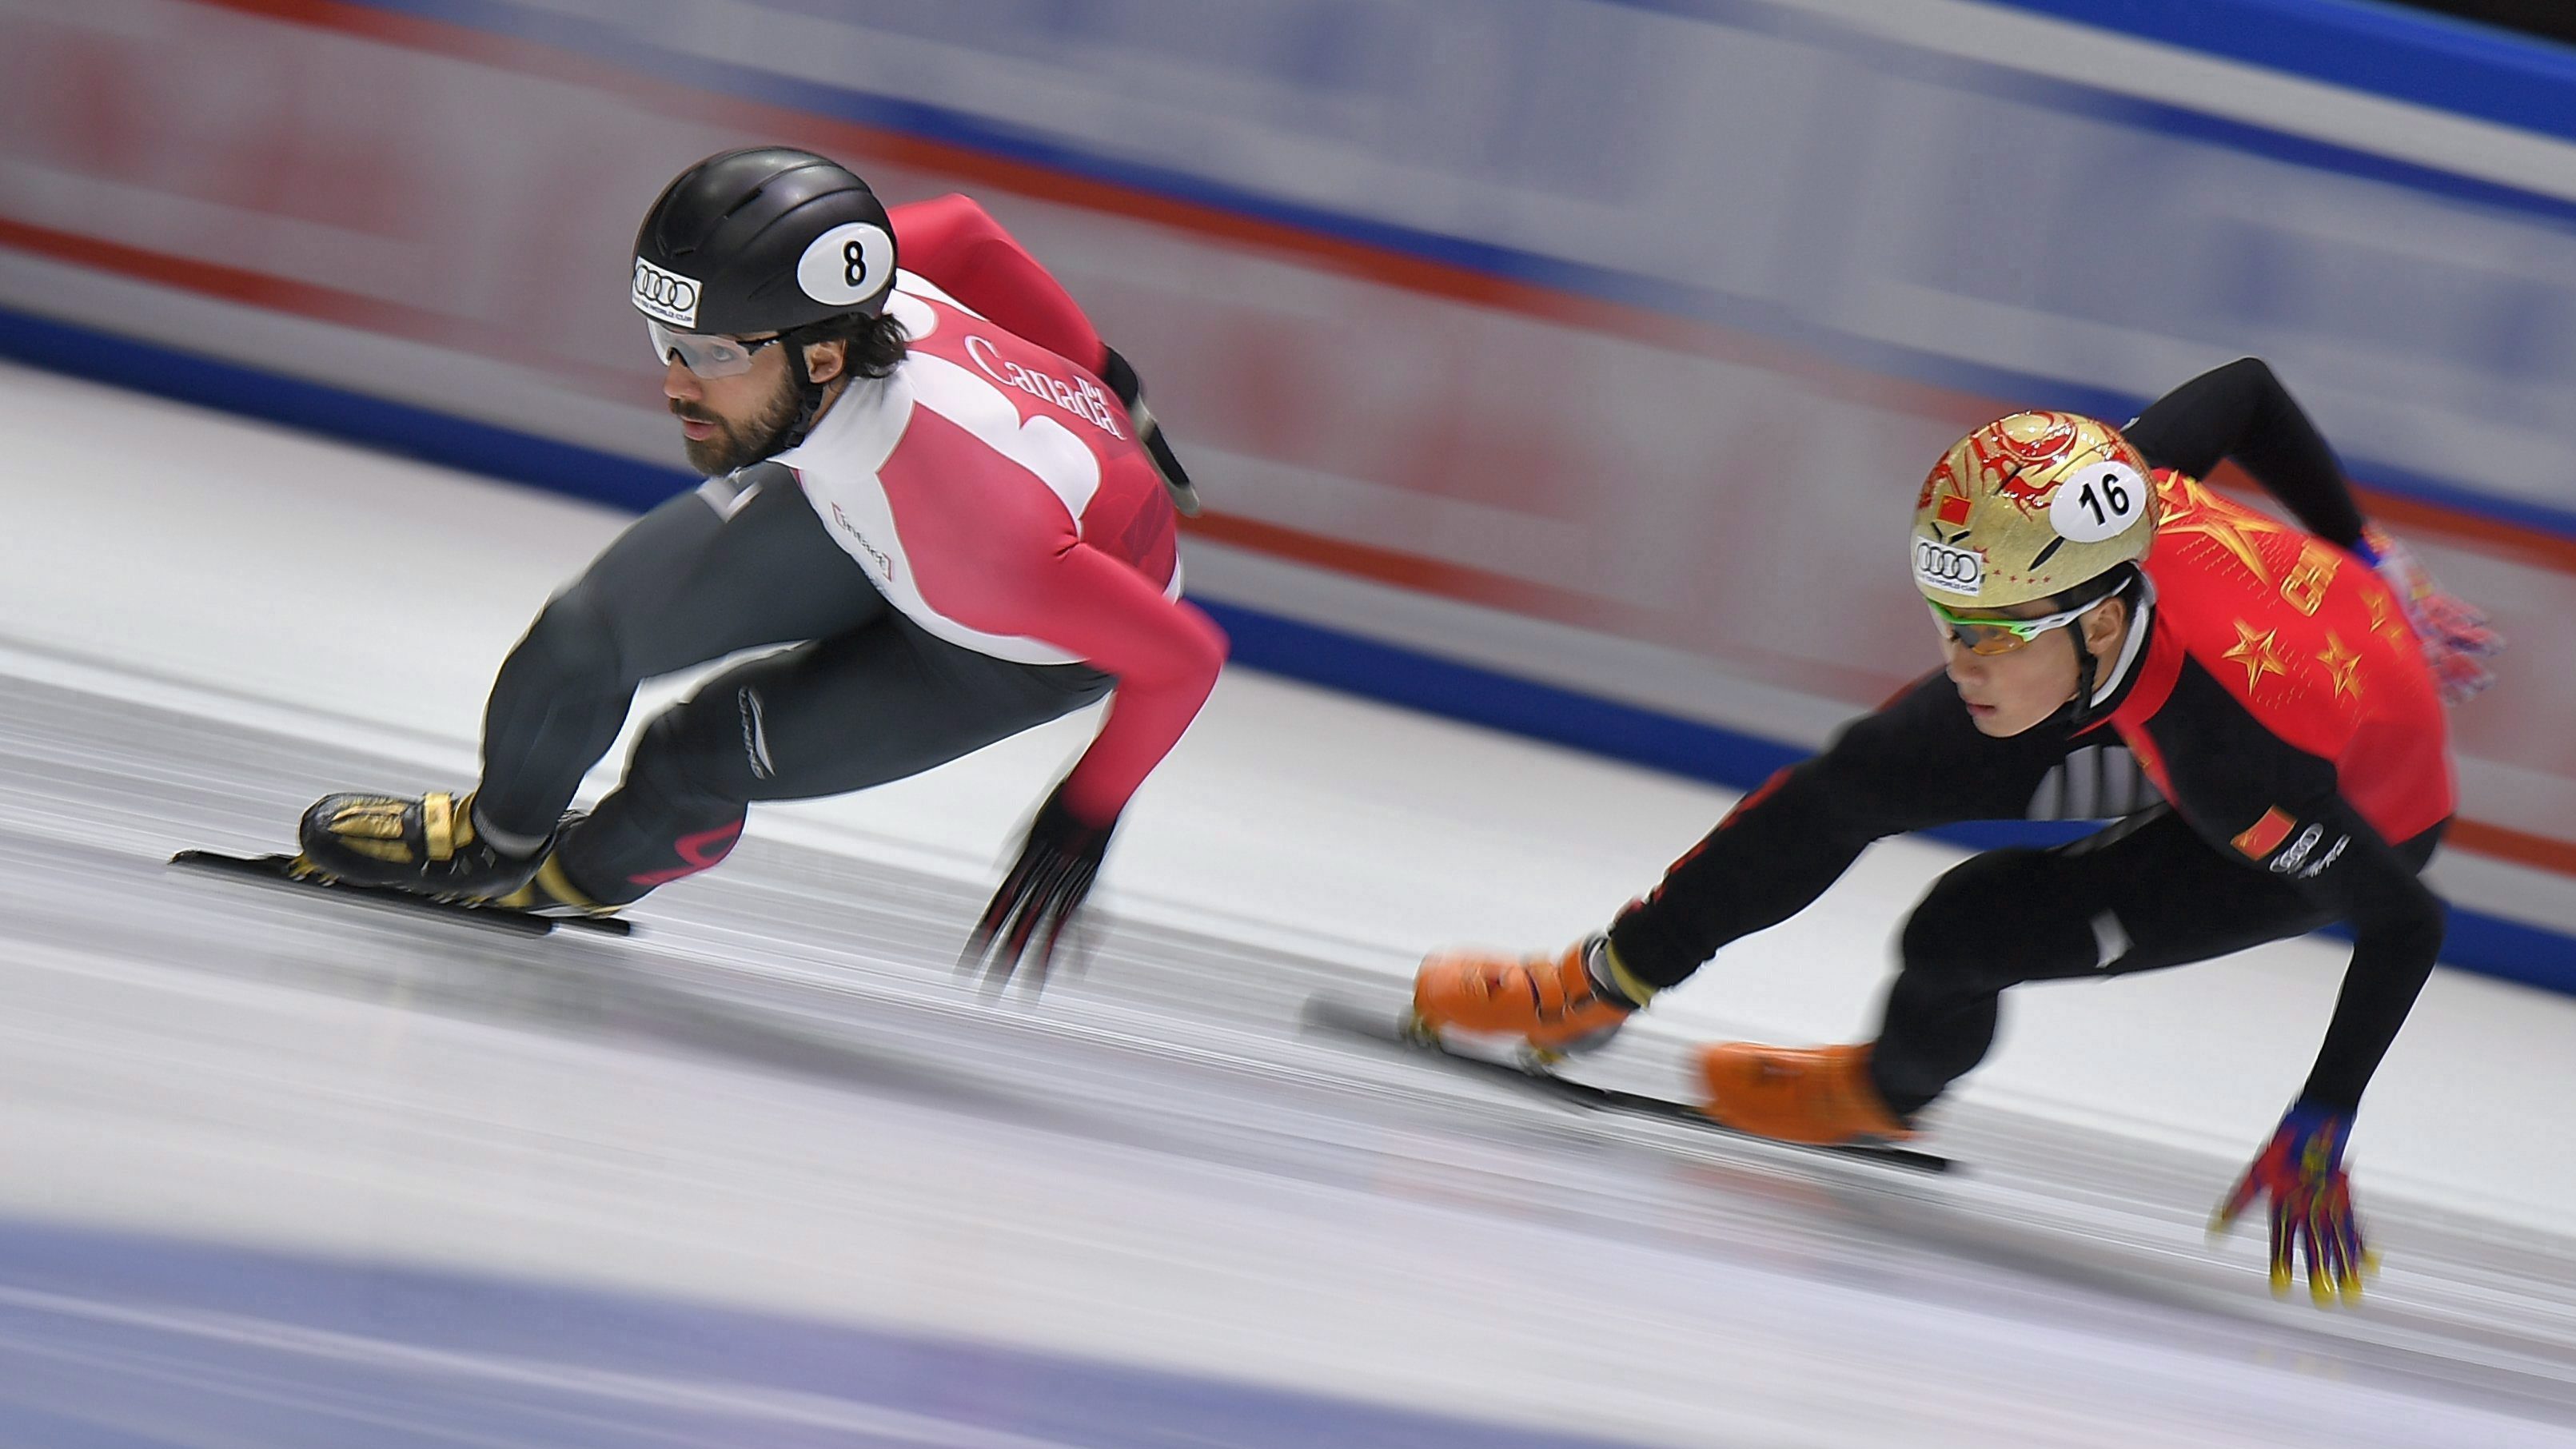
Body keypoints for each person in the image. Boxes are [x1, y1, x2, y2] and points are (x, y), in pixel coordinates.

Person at [1412, 359, 2501, 1303]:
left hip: (2343, 809)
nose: (1959, 662)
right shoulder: (2091, 503)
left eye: (1986, 633)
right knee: (1860, 775)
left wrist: (2320, 1118)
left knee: (1962, 930)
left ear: (2101, 616)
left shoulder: (2233, 769)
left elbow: (2404, 921)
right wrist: (2362, 545)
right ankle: (1606, 979)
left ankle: (1884, 1092)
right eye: (1946, 623)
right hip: (2141, 686)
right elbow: (2244, 391)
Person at [293, 146, 1226, 983]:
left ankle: (577, 877)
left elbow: (1183, 657)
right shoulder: (837, 296)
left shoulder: (990, 544)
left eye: (707, 355)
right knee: (590, 631)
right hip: (885, 501)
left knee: (691, 757)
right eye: (666, 344)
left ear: (823, 356)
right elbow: (968, 235)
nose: (673, 385)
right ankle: (493, 842)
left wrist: (1086, 809)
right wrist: (1104, 370)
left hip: (1007, 635)